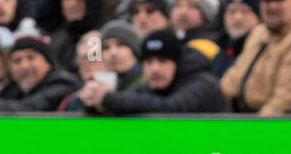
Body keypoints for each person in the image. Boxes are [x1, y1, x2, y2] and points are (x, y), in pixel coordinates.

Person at [77, 28, 225, 115]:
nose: (155, 69)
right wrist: (94, 104)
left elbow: (172, 108)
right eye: (149, 62)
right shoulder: (150, 87)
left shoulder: (202, 83)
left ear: (176, 63)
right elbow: (132, 100)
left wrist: (108, 99)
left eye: (162, 61)